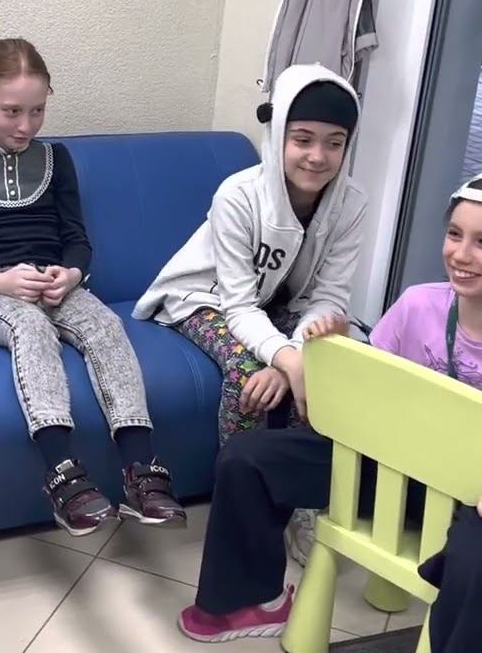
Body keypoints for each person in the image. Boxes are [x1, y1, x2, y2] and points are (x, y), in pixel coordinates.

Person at [179, 167, 482, 653]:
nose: (460, 254)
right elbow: (363, 396)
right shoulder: (418, 305)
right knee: (249, 458)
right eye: (455, 234)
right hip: (390, 465)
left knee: (481, 570)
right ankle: (244, 602)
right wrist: (334, 348)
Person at [0, 38, 186, 537]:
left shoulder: (56, 159)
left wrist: (70, 275)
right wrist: (0, 281)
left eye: (37, 111)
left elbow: (77, 241)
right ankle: (63, 476)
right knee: (31, 329)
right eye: (11, 112)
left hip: (55, 285)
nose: (25, 126)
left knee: (106, 325)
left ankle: (140, 470)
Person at [132, 63, 367, 562]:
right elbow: (237, 304)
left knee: (337, 361)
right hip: (205, 299)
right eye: (302, 139)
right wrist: (286, 357)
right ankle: (240, 511)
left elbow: (329, 297)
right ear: (279, 134)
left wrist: (296, 357)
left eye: (334, 143)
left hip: (281, 308)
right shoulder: (238, 195)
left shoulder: (352, 205)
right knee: (246, 373)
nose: (317, 155)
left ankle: (302, 503)